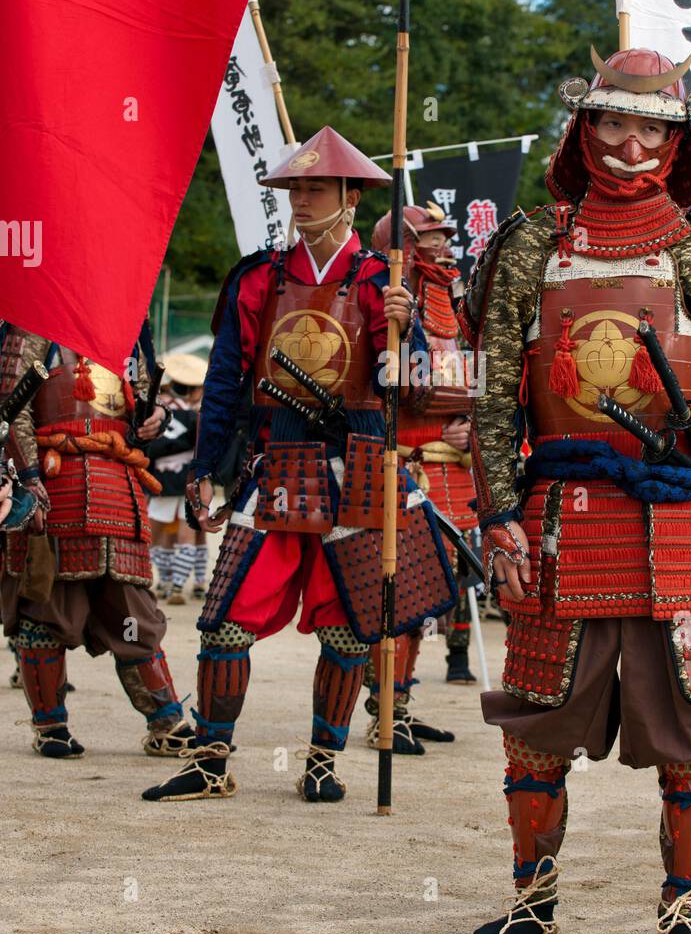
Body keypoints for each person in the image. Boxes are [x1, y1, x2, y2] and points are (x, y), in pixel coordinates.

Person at [460, 47, 691, 934]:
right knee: (535, 729)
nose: (632, 143)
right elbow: (491, 397)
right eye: (614, 122)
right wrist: (499, 511)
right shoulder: (530, 244)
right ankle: (532, 902)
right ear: (584, 127)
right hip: (563, 517)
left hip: (687, 524)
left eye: (654, 127)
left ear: (677, 141)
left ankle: (683, 914)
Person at [143, 126, 458, 805]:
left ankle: (322, 760)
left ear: (350, 198)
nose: (304, 198)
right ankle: (210, 759)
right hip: (276, 466)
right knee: (224, 621)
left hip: (359, 467)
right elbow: (226, 381)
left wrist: (406, 335)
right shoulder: (259, 278)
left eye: (318, 187)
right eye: (297, 187)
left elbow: (410, 385)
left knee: (347, 628)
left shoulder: (383, 283)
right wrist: (208, 466)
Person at [0, 328, 194, 759]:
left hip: (115, 482)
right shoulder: (29, 322)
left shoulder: (128, 323)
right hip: (52, 481)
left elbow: (141, 404)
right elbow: (13, 409)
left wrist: (152, 420)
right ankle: (51, 725)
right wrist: (29, 479)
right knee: (46, 607)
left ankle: (166, 721)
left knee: (131, 614)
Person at [363, 202, 479, 755]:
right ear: (405, 245)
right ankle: (383, 712)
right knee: (399, 598)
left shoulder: (455, 300)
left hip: (452, 473)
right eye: (431, 238)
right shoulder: (384, 301)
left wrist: (471, 424)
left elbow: (481, 372)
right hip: (405, 466)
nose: (443, 246)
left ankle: (403, 704)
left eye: (443, 237)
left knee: (436, 596)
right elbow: (394, 386)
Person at [148, 353, 209, 604]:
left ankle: (164, 582)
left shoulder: (157, 409)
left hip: (160, 479)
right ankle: (181, 585)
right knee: (189, 534)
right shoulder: (197, 415)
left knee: (160, 534)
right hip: (187, 480)